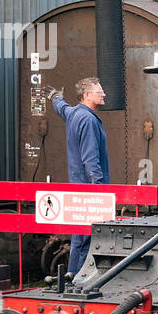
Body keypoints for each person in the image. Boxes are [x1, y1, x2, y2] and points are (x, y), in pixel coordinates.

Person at [47, 77, 110, 277]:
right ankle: (80, 279)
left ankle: (72, 274)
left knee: (79, 236)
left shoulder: (74, 113)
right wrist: (99, 189)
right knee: (87, 238)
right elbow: (90, 159)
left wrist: (55, 98)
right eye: (99, 92)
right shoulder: (89, 120)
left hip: (78, 185)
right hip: (89, 188)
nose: (104, 95)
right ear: (87, 95)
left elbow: (62, 108)